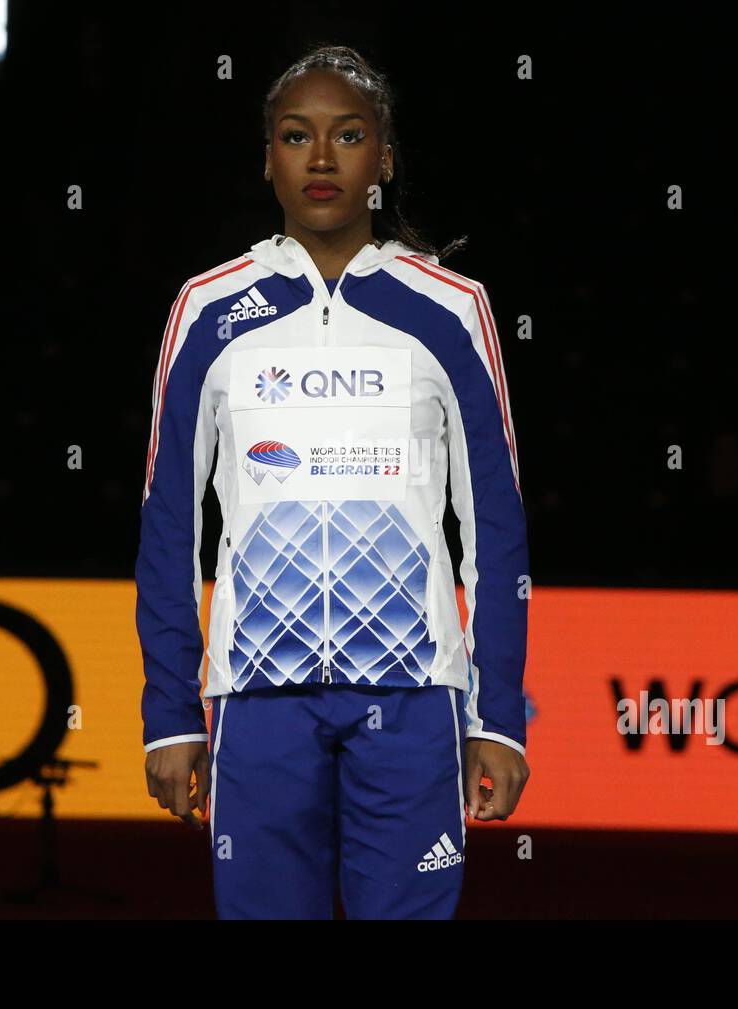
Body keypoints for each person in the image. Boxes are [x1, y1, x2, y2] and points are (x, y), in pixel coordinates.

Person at [136, 44, 530, 919]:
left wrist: (496, 718)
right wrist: (171, 713)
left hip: (415, 692)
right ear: (266, 156)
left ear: (382, 159)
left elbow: (494, 525)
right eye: (296, 136)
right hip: (257, 695)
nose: (322, 159)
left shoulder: (451, 307)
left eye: (348, 136)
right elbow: (168, 524)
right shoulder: (207, 309)